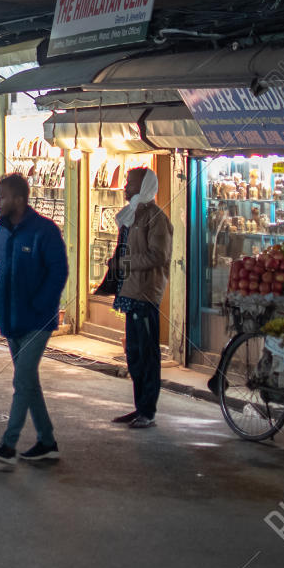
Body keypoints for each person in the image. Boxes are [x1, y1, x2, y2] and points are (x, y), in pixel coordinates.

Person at [0, 173, 69, 465]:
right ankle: (47, 441)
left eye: (2, 197)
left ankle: (8, 445)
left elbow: (58, 272)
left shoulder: (44, 231)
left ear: (19, 200)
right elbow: (2, 270)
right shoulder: (2, 232)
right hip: (10, 317)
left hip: (37, 320)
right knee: (29, 382)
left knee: (22, 380)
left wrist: (41, 305)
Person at [110, 167, 173, 429]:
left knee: (147, 354)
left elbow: (158, 255)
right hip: (130, 291)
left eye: (130, 183)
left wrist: (125, 263)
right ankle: (139, 408)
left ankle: (148, 411)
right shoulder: (132, 214)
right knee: (134, 354)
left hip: (145, 294)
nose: (125, 187)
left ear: (144, 187)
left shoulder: (156, 218)